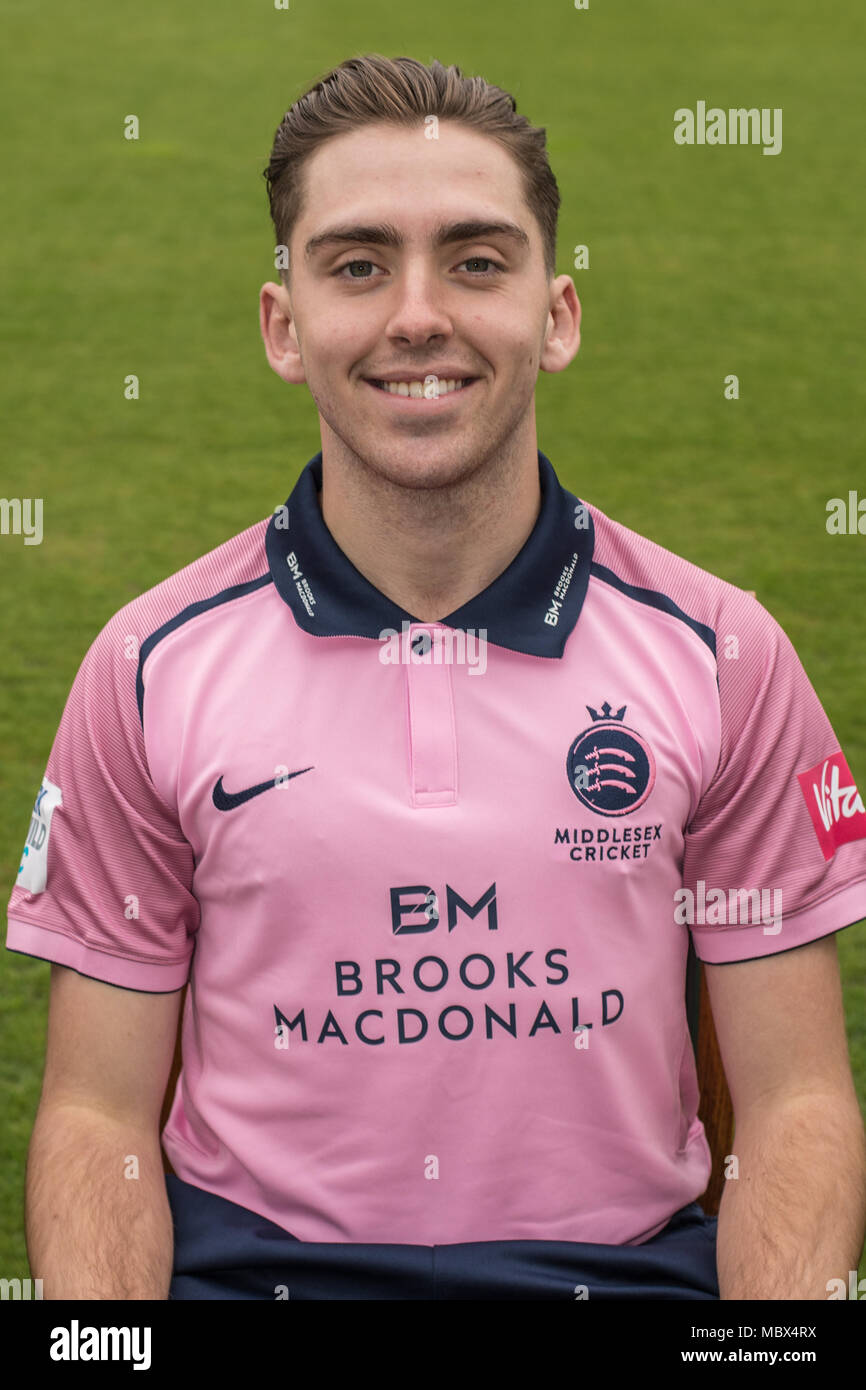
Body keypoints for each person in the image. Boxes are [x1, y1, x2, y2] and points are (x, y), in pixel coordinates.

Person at [7, 54, 866, 1302]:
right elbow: (94, 1119)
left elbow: (792, 1102)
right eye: (358, 265)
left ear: (556, 313)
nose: (419, 315)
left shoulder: (723, 653)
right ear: (282, 324)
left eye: (475, 260)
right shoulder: (147, 667)